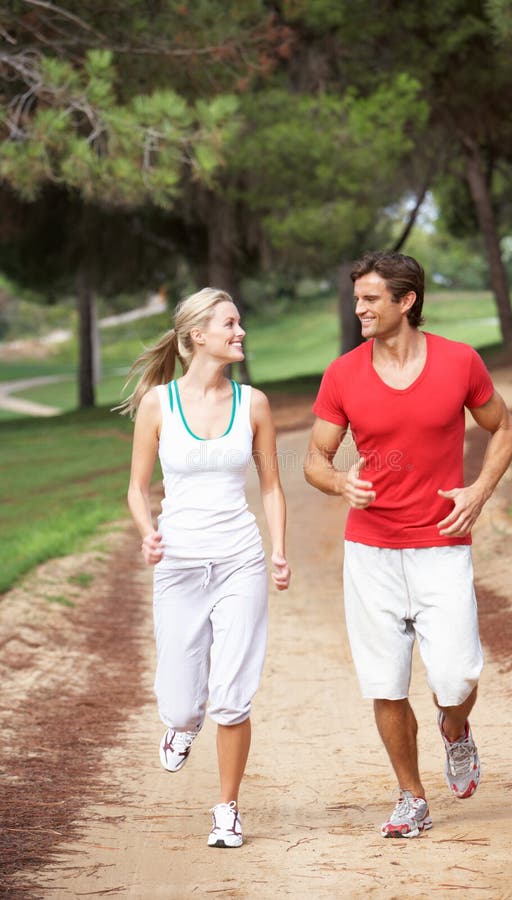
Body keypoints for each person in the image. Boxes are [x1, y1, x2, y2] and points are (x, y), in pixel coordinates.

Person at [304, 251, 512, 839]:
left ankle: (455, 729)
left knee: (455, 677)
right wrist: (340, 481)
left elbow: (503, 426)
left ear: (407, 301)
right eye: (357, 299)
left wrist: (479, 490)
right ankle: (411, 796)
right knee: (385, 681)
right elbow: (315, 461)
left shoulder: (458, 362)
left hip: (440, 546)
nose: (360, 310)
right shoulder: (343, 373)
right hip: (370, 552)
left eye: (371, 299)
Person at [122, 287, 291, 849]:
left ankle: (227, 809)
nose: (240, 332)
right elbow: (136, 489)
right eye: (230, 323)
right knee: (179, 701)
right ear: (199, 336)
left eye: (239, 323)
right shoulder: (158, 405)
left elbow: (271, 486)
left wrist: (278, 549)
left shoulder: (255, 403)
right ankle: (181, 724)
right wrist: (149, 535)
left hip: (239, 560)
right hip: (179, 566)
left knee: (233, 695)